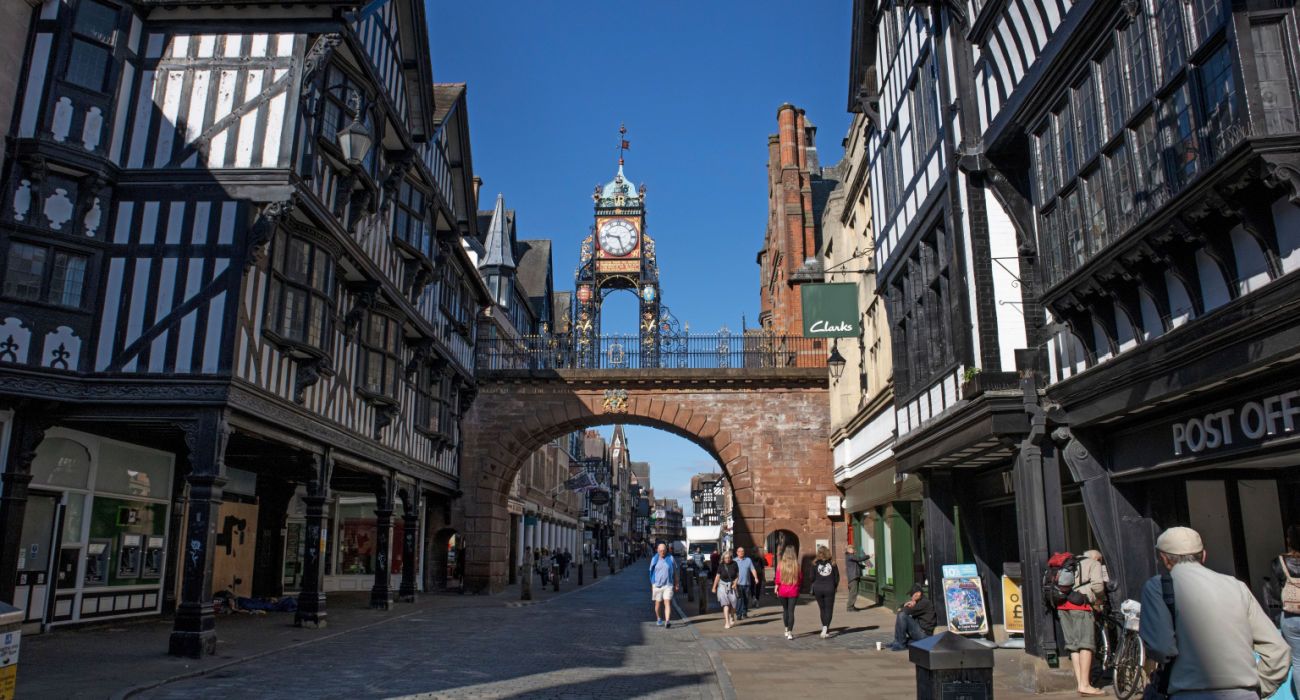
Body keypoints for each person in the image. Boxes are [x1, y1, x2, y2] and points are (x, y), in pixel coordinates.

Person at [1140, 526, 1288, 699]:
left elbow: (1161, 648)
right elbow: (1278, 649)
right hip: (1245, 693)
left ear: (1164, 559)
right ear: (1203, 555)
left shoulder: (1157, 587)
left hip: (1189, 693)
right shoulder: (1236, 586)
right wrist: (1259, 686)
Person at [1054, 549, 1106, 696]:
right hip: (1080, 607)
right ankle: (1085, 684)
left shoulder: (1069, 563)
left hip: (1062, 606)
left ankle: (1080, 683)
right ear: (1096, 557)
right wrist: (1100, 599)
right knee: (1086, 644)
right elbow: (1098, 586)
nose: (1100, 563)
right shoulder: (1093, 563)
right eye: (1101, 560)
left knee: (1074, 646)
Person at [1273, 525, 1300, 686]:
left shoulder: (1280, 561)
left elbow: (1276, 593)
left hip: (1291, 616)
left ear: (1289, 540)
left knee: (1297, 662)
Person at [887, 585, 936, 651]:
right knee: (901, 614)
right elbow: (901, 609)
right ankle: (897, 641)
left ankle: (900, 644)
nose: (911, 597)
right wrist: (904, 605)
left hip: (924, 634)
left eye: (912, 595)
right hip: (919, 631)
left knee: (902, 615)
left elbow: (905, 611)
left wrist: (905, 607)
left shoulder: (924, 603)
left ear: (919, 593)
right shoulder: (918, 602)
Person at [809, 545, 840, 638]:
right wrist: (833, 586)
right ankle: (825, 628)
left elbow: (811, 578)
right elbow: (837, 577)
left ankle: (824, 628)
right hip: (829, 588)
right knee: (829, 609)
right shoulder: (833, 563)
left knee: (822, 609)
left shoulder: (814, 564)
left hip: (818, 588)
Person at [648, 542, 679, 628]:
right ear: (657, 550)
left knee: (667, 602)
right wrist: (652, 585)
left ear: (666, 550)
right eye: (660, 550)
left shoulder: (671, 558)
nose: (662, 552)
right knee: (657, 605)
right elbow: (651, 573)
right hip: (657, 585)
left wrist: (676, 583)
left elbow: (675, 572)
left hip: (668, 585)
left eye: (664, 550)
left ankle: (667, 621)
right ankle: (659, 618)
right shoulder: (654, 559)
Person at [775, 546, 802, 640]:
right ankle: (790, 632)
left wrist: (776, 587)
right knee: (791, 612)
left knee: (785, 610)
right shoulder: (796, 565)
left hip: (782, 591)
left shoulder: (780, 564)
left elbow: (778, 579)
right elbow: (800, 579)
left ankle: (786, 629)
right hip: (793, 591)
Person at [714, 550, 740, 629]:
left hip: (731, 585)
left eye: (729, 558)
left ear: (731, 558)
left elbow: (737, 575)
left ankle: (732, 615)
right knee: (725, 604)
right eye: (726, 558)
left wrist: (735, 583)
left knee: (734, 603)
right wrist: (714, 587)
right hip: (722, 586)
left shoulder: (734, 564)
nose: (727, 559)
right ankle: (727, 622)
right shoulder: (721, 565)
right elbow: (717, 576)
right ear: (723, 558)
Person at [734, 546, 758, 620]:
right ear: (737, 553)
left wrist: (756, 577)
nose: (741, 553)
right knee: (739, 599)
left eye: (743, 551)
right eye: (740, 551)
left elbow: (753, 569)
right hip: (737, 584)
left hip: (747, 583)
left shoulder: (748, 560)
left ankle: (744, 612)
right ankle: (738, 614)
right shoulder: (734, 561)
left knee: (746, 599)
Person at [845, 548, 872, 612]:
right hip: (853, 577)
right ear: (848, 550)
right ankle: (849, 607)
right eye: (852, 549)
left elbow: (857, 565)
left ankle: (851, 606)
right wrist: (868, 556)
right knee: (853, 593)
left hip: (854, 577)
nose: (853, 550)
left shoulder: (851, 556)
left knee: (853, 592)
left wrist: (864, 567)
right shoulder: (850, 556)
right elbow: (859, 559)